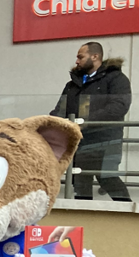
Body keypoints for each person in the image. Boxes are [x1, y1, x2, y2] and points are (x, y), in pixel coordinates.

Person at [51, 41, 132, 201]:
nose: (77, 61)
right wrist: (48, 124)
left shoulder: (116, 79)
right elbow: (60, 110)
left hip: (106, 140)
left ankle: (127, 210)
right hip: (80, 141)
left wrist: (85, 122)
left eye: (80, 57)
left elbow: (119, 106)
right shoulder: (72, 85)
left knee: (107, 178)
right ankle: (83, 216)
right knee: (80, 182)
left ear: (95, 56)